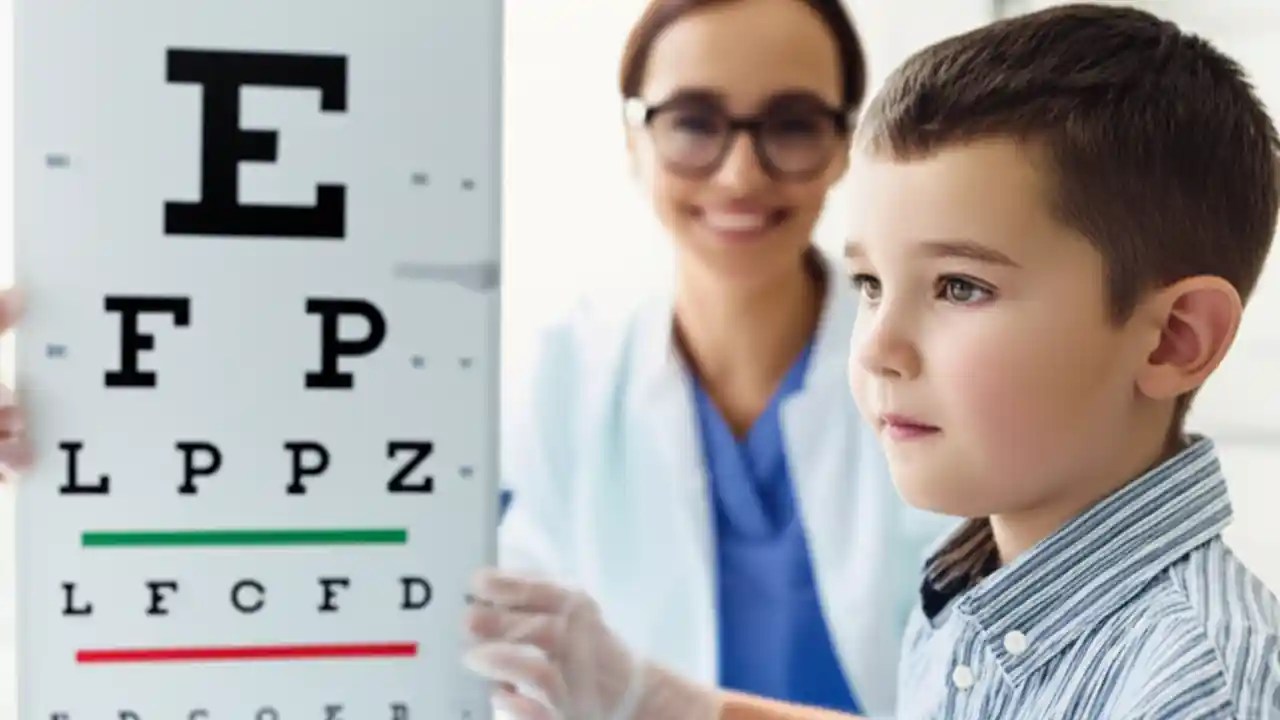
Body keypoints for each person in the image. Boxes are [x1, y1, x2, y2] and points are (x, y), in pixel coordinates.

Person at [466, 4, 1280, 718]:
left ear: (1175, 338)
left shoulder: (1194, 684)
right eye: (870, 284)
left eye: (961, 287)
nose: (878, 349)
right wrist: (656, 705)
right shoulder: (974, 597)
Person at [494, 0, 948, 715]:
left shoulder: (943, 371)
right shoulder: (558, 382)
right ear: (634, 140)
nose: (739, 176)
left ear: (842, 147)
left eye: (792, 125)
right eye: (694, 123)